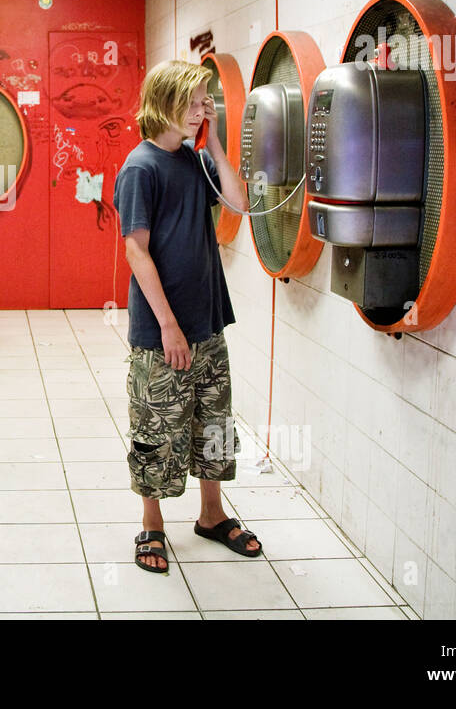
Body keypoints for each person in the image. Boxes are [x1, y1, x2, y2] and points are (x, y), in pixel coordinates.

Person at [112, 59, 262, 574]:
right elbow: (136, 251)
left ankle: (212, 515)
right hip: (162, 331)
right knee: (157, 426)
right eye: (196, 101)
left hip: (208, 321)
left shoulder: (196, 163)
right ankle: (152, 524)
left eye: (206, 102)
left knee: (213, 424)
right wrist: (169, 325)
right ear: (167, 102)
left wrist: (214, 140)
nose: (204, 109)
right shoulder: (141, 167)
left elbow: (239, 205)